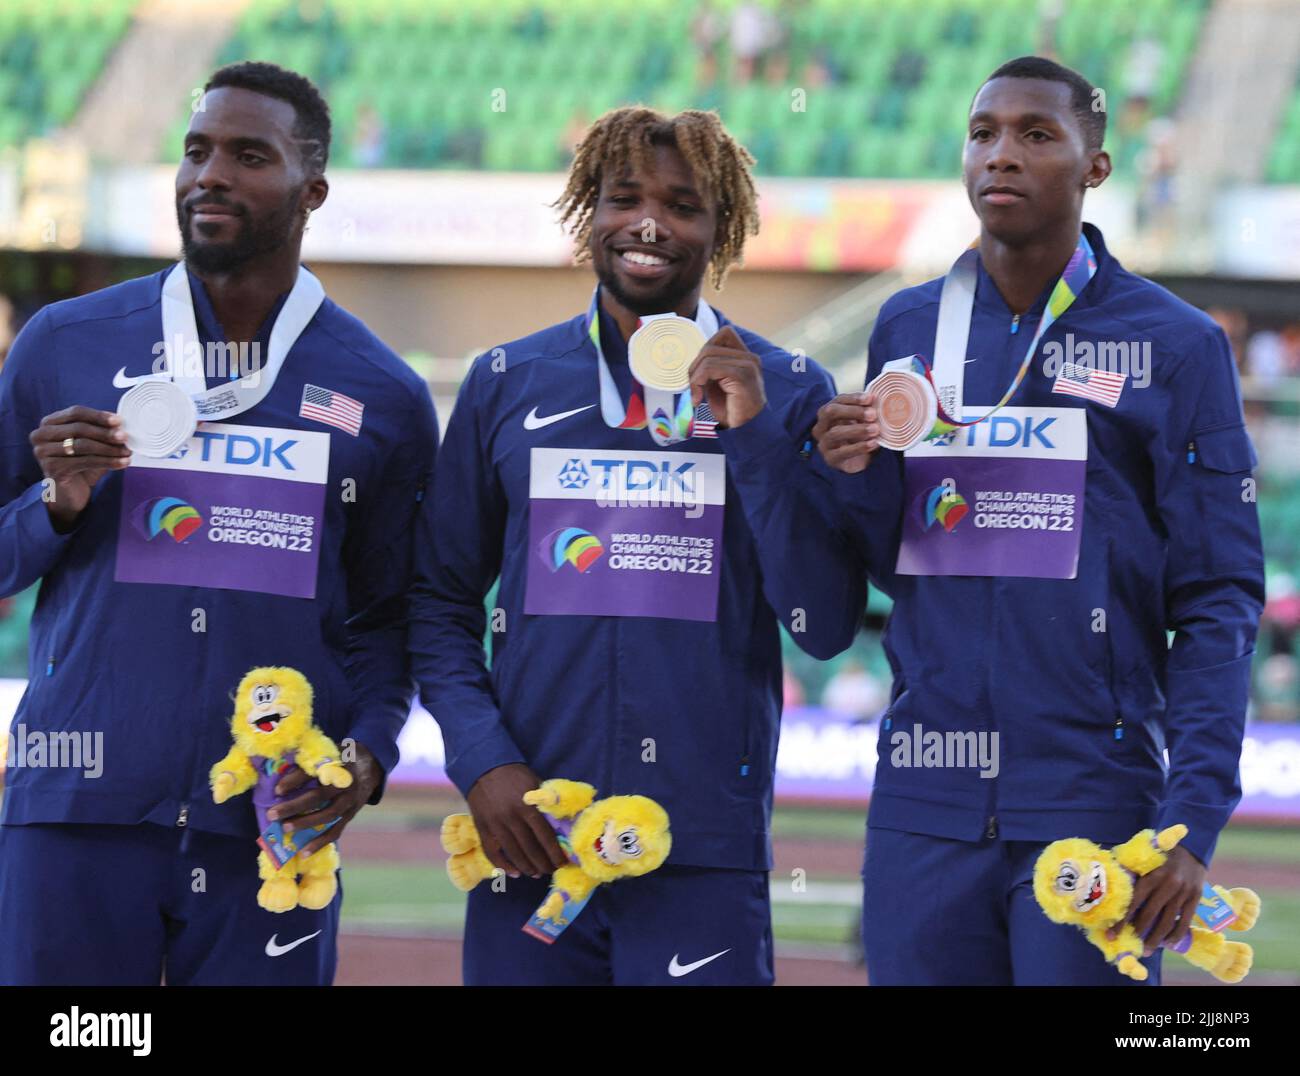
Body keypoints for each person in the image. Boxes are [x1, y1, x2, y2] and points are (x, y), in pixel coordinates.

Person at [718, 57, 1265, 985]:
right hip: (924, 799)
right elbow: (900, 561)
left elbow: (1218, 597)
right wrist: (850, 473)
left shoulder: (1176, 345)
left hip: (1093, 798)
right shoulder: (908, 327)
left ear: (1095, 165)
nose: (1001, 155)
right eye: (983, 135)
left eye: (1036, 135)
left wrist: (1191, 820)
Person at [0, 62, 438, 985]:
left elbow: (389, 621)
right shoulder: (64, 343)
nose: (210, 176)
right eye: (197, 151)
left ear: (312, 189)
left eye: (248, 155)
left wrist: (363, 760)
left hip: (270, 826)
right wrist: (57, 504)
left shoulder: (383, 395)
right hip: (78, 804)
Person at [410, 106, 845, 986]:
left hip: (701, 848)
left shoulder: (790, 389)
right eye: (623, 198)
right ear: (589, 212)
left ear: (722, 227)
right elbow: (436, 601)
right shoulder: (504, 383)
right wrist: (484, 763)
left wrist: (755, 439)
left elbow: (825, 621)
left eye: (683, 205)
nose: (648, 223)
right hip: (530, 834)